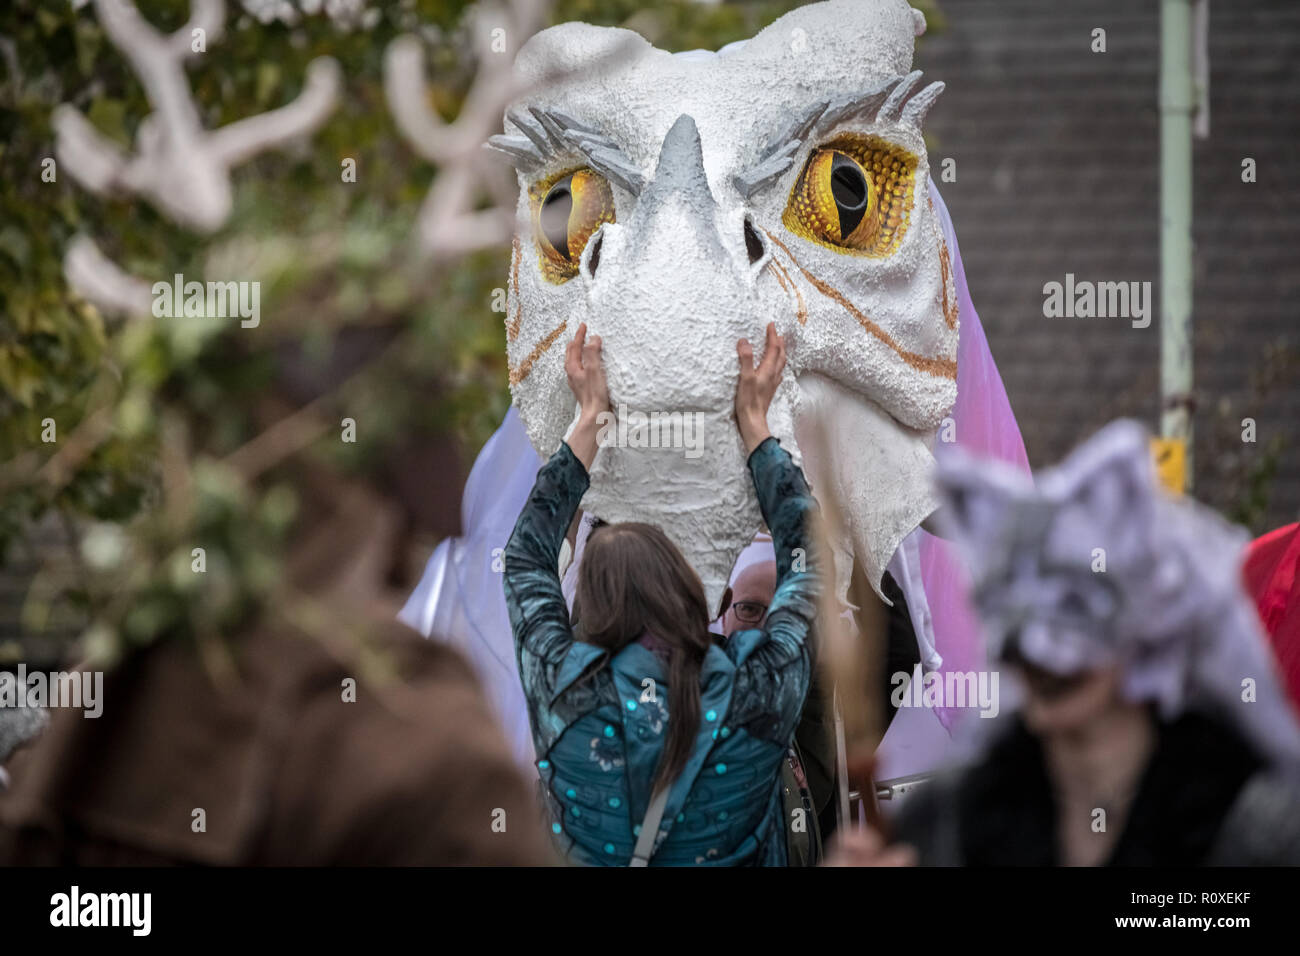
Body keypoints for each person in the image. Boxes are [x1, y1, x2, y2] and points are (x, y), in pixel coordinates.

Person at [837, 420, 1300, 866]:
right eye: (1021, 624)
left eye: (1075, 611)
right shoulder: (948, 824)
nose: (1043, 652)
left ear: (1147, 630)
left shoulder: (1251, 829)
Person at [503, 321, 821, 866]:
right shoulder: (757, 691)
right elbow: (810, 556)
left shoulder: (563, 690)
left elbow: (525, 560)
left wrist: (587, 424)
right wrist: (756, 431)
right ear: (689, 590)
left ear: (595, 608)